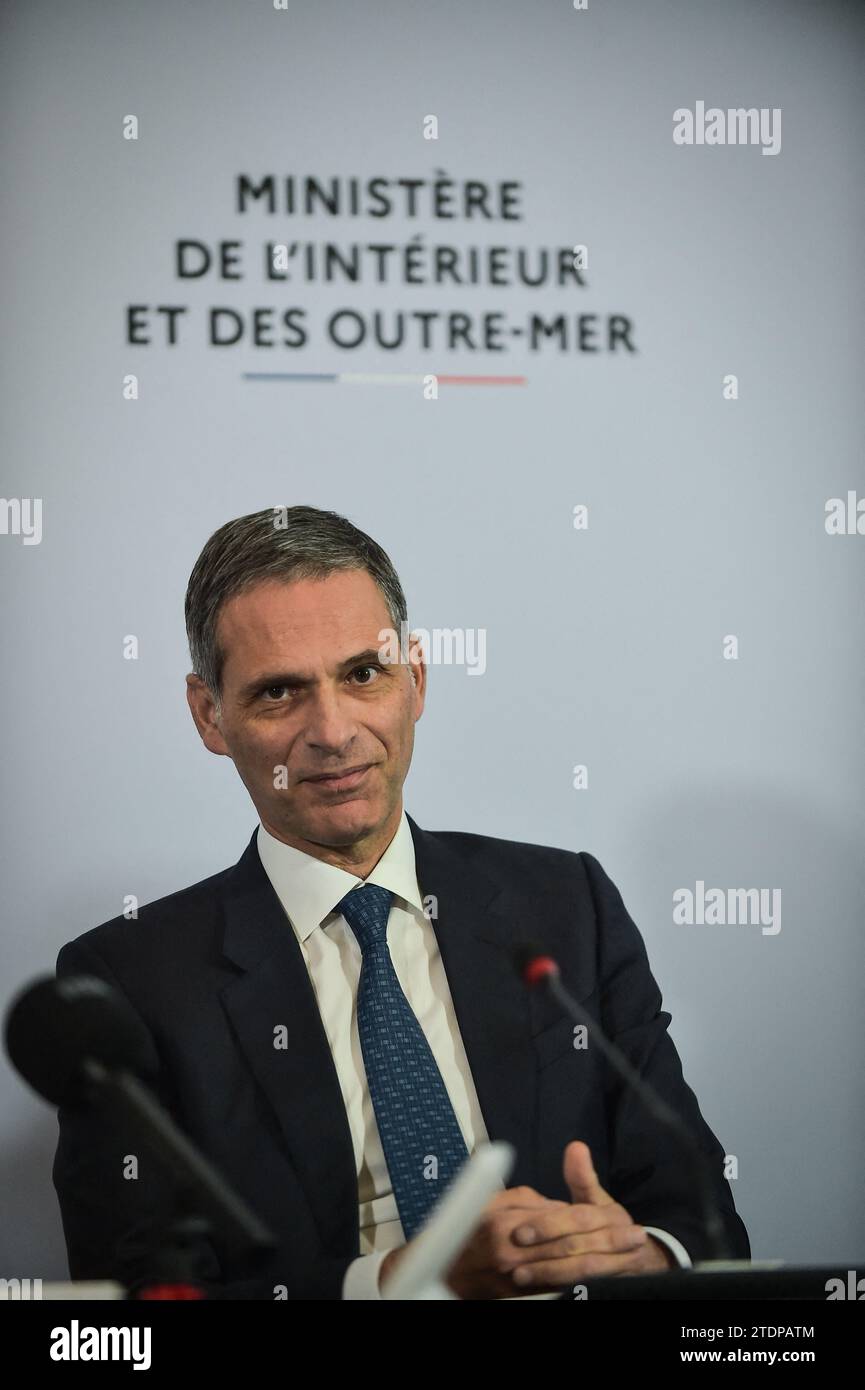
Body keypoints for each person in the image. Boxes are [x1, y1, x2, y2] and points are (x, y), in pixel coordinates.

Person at [53, 505, 749, 1299]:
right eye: (280, 692)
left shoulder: (566, 906)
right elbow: (136, 1309)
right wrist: (409, 1282)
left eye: (361, 674)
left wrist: (644, 1258)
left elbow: (699, 1212)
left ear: (413, 681)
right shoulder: (132, 982)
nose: (333, 730)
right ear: (210, 715)